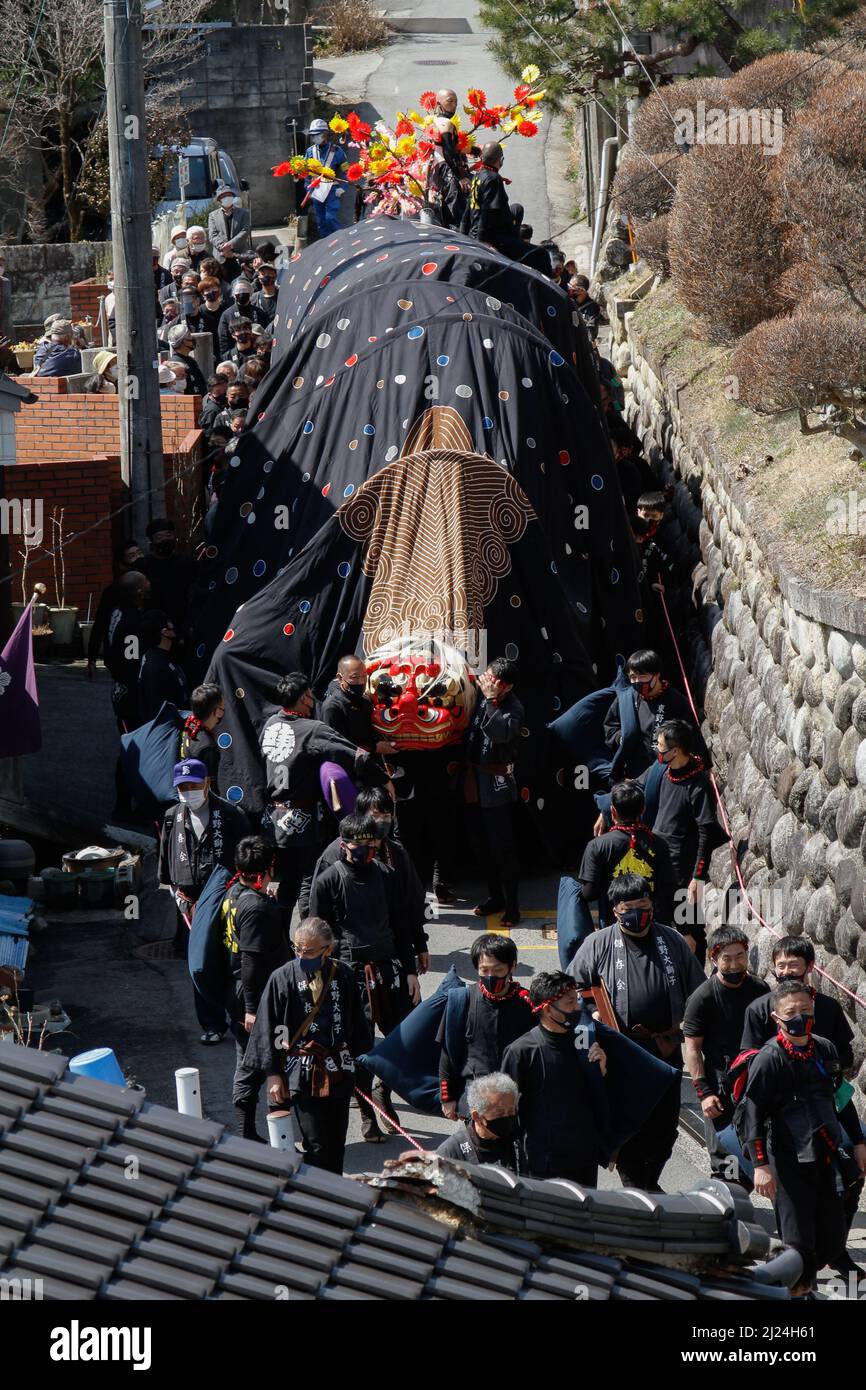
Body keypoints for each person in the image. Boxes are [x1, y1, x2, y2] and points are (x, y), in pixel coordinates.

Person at [569, 873, 704, 1190]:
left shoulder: (673, 941)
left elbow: (699, 993)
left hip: (666, 1049)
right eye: (628, 908)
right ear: (615, 910)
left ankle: (646, 1183)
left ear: (652, 906)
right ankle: (638, 1188)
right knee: (629, 1125)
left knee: (665, 1128)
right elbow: (571, 992)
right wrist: (593, 1014)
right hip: (622, 1051)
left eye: (643, 905)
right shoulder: (598, 944)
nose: (637, 913)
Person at [741, 979, 866, 1297]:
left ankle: (791, 1281)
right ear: (776, 1018)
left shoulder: (824, 1048)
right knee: (798, 1245)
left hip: (826, 1155)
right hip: (788, 1161)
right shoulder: (769, 1059)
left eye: (806, 1011)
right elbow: (751, 1114)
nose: (800, 1017)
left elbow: (842, 1098)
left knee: (832, 1239)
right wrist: (760, 1165)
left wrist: (860, 1142)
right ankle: (795, 1292)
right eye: (791, 1012)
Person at [309, 812, 420, 1141]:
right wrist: (318, 982)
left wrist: (411, 970)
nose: (367, 851)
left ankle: (384, 1087)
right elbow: (317, 934)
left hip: (388, 968)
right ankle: (368, 1112)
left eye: (373, 845)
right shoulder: (327, 881)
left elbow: (402, 925)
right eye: (361, 845)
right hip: (349, 974)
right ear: (344, 846)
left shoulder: (386, 874)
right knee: (358, 1047)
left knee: (404, 1039)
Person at [247, 917, 373, 1172]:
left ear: (328, 949)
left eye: (310, 951)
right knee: (316, 1143)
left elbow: (358, 1025)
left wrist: (366, 1065)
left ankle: (334, 1194)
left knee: (337, 1142)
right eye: (298, 949)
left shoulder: (344, 974)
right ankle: (317, 1199)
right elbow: (269, 1028)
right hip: (301, 1069)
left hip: (337, 1066)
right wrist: (273, 1074)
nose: (303, 955)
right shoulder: (282, 978)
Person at [260, 670, 388, 919]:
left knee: (286, 880)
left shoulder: (270, 724)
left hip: (273, 817)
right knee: (310, 877)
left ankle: (279, 941)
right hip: (302, 818)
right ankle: (309, 935)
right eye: (309, 696)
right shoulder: (312, 728)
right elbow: (355, 754)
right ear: (303, 698)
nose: (312, 702)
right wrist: (383, 779)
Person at [158, 758, 249, 1042]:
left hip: (224, 898)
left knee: (229, 959)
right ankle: (211, 1024)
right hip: (191, 901)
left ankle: (239, 1016)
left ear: (207, 782)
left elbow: (245, 855)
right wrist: (171, 887)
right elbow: (165, 860)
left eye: (193, 785)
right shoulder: (173, 816)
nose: (188, 791)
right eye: (182, 787)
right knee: (199, 962)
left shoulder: (232, 814)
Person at [311, 784, 430, 975]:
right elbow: (316, 913)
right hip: (346, 958)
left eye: (386, 815)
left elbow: (409, 905)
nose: (381, 821)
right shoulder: (333, 856)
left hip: (387, 952)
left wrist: (420, 944)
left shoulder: (397, 854)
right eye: (375, 816)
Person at [501, 971, 607, 1183]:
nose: (578, 1008)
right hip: (540, 1162)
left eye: (576, 1001)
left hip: (583, 1158)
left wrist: (601, 1070)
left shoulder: (585, 1042)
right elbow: (504, 1110)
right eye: (570, 1003)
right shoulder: (521, 1051)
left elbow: (597, 1096)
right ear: (548, 1009)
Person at [558, 779, 677, 967]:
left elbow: (589, 893)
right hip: (654, 924)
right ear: (643, 809)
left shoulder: (598, 845)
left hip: (614, 925)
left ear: (612, 812)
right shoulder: (659, 844)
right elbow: (669, 887)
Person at [682, 925, 769, 1178]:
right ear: (713, 958)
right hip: (721, 1091)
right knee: (727, 1164)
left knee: (762, 1153)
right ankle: (728, 1212)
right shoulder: (702, 997)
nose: (734, 964)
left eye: (740, 956)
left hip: (757, 1086)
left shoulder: (760, 989)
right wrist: (704, 1093)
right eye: (726, 959)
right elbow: (693, 1048)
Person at [221, 835, 291, 1139]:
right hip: (255, 995)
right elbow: (251, 961)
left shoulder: (233, 893)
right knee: (262, 1063)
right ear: (267, 870)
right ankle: (249, 1132)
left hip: (238, 989)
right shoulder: (257, 908)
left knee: (256, 1060)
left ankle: (253, 1131)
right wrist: (252, 1008)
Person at [641, 719, 720, 954]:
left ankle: (692, 979)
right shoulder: (665, 773)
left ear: (676, 751)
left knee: (689, 931)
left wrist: (697, 877)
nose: (657, 750)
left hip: (683, 873)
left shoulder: (698, 786)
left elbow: (706, 832)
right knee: (659, 924)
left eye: (661, 747)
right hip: (659, 864)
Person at [438, 933, 533, 1118]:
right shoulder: (462, 1001)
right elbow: (447, 1053)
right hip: (475, 1098)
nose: (491, 976)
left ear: (512, 966)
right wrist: (447, 1097)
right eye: (484, 970)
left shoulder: (528, 1004)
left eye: (497, 970)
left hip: (516, 1100)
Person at [462, 657, 524, 928]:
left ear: (506, 686)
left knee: (503, 849)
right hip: (473, 781)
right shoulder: (479, 697)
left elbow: (500, 734)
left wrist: (489, 700)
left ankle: (513, 906)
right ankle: (495, 897)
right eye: (485, 676)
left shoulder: (513, 707)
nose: (485, 681)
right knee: (480, 846)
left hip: (496, 785)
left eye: (492, 680)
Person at [741, 935, 855, 1067]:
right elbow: (749, 1056)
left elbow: (845, 1055)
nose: (786, 972)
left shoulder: (830, 1006)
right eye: (781, 966)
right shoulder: (758, 1009)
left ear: (810, 966)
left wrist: (824, 1068)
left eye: (793, 965)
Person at [603, 649, 699, 778]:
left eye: (642, 676)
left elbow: (691, 736)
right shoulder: (626, 700)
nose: (637, 681)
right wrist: (623, 738)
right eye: (633, 677)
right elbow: (610, 727)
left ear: (657, 674)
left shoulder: (675, 700)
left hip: (665, 773)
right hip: (634, 774)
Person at [437, 1072, 520, 1170]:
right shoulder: (450, 1152)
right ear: (477, 1116)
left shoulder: (517, 1141)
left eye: (511, 1112)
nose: (507, 1118)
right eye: (500, 1114)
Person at [86, 539, 145, 676]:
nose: (138, 559)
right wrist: (92, 658)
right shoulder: (114, 591)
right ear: (122, 565)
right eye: (132, 556)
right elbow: (100, 624)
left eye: (139, 553)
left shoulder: (151, 581)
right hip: (127, 647)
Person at [102, 569, 151, 734]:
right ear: (139, 592)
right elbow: (132, 659)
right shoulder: (133, 622)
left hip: (118, 686)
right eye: (146, 583)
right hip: (129, 692)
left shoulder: (116, 612)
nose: (149, 585)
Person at [321, 654, 396, 758]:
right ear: (340, 678)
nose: (361, 682)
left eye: (364, 676)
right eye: (355, 677)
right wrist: (374, 747)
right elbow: (336, 745)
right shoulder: (332, 707)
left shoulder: (366, 701)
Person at [139, 517, 198, 638]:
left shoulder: (187, 563)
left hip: (183, 626)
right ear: (152, 542)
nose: (165, 540)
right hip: (154, 627)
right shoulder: (143, 566)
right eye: (160, 537)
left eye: (169, 535)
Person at [465, 143, 521, 258]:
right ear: (500, 160)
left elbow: (469, 204)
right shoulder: (493, 178)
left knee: (516, 208)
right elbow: (488, 211)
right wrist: (480, 243)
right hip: (492, 235)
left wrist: (462, 231)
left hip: (475, 228)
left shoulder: (478, 175)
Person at [426, 89, 471, 230]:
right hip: (447, 168)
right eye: (450, 101)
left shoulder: (434, 121)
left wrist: (474, 151)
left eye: (456, 102)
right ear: (439, 104)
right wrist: (461, 176)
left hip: (438, 167)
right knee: (456, 207)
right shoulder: (445, 122)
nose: (454, 105)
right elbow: (449, 151)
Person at [138, 610, 190, 723]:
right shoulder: (156, 665)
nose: (173, 626)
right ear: (165, 632)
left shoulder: (162, 657)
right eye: (169, 623)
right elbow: (157, 709)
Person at [304, 118, 348, 239]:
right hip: (317, 189)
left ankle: (341, 241)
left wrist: (343, 187)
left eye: (319, 134)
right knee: (321, 221)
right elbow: (306, 173)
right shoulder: (309, 152)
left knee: (330, 218)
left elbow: (346, 171)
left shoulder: (337, 151)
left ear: (325, 135)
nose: (316, 137)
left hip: (332, 190)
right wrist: (308, 188)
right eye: (313, 135)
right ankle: (326, 245)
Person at [180, 683, 225, 788]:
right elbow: (210, 788)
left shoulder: (190, 725)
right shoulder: (207, 747)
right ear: (218, 712)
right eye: (223, 708)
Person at [208, 185, 251, 278]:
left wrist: (230, 244)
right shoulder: (213, 215)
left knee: (241, 281)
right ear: (219, 200)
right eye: (223, 196)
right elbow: (212, 235)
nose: (227, 198)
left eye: (229, 195)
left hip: (239, 253)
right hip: (220, 256)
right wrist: (223, 247)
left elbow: (245, 231)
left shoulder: (243, 213)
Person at [165, 323, 207, 396]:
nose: (192, 338)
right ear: (184, 341)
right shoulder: (176, 365)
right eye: (190, 336)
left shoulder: (190, 360)